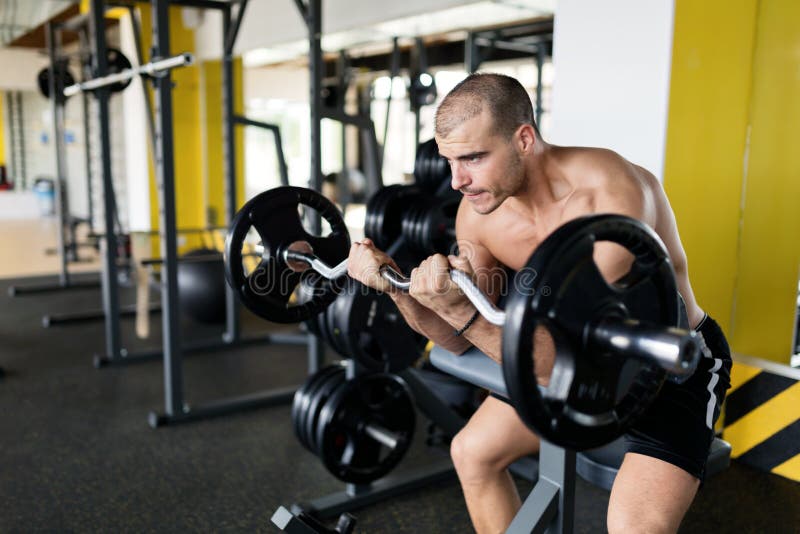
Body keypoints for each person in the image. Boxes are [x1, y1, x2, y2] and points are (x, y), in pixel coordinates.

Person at [346, 73, 732, 534]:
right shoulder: (480, 213)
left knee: (633, 527)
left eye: (473, 158)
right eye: (449, 161)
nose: (457, 181)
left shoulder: (608, 201)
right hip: (568, 358)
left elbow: (561, 368)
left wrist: (459, 310)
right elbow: (454, 340)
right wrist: (398, 289)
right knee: (472, 453)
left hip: (667, 367)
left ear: (524, 139)